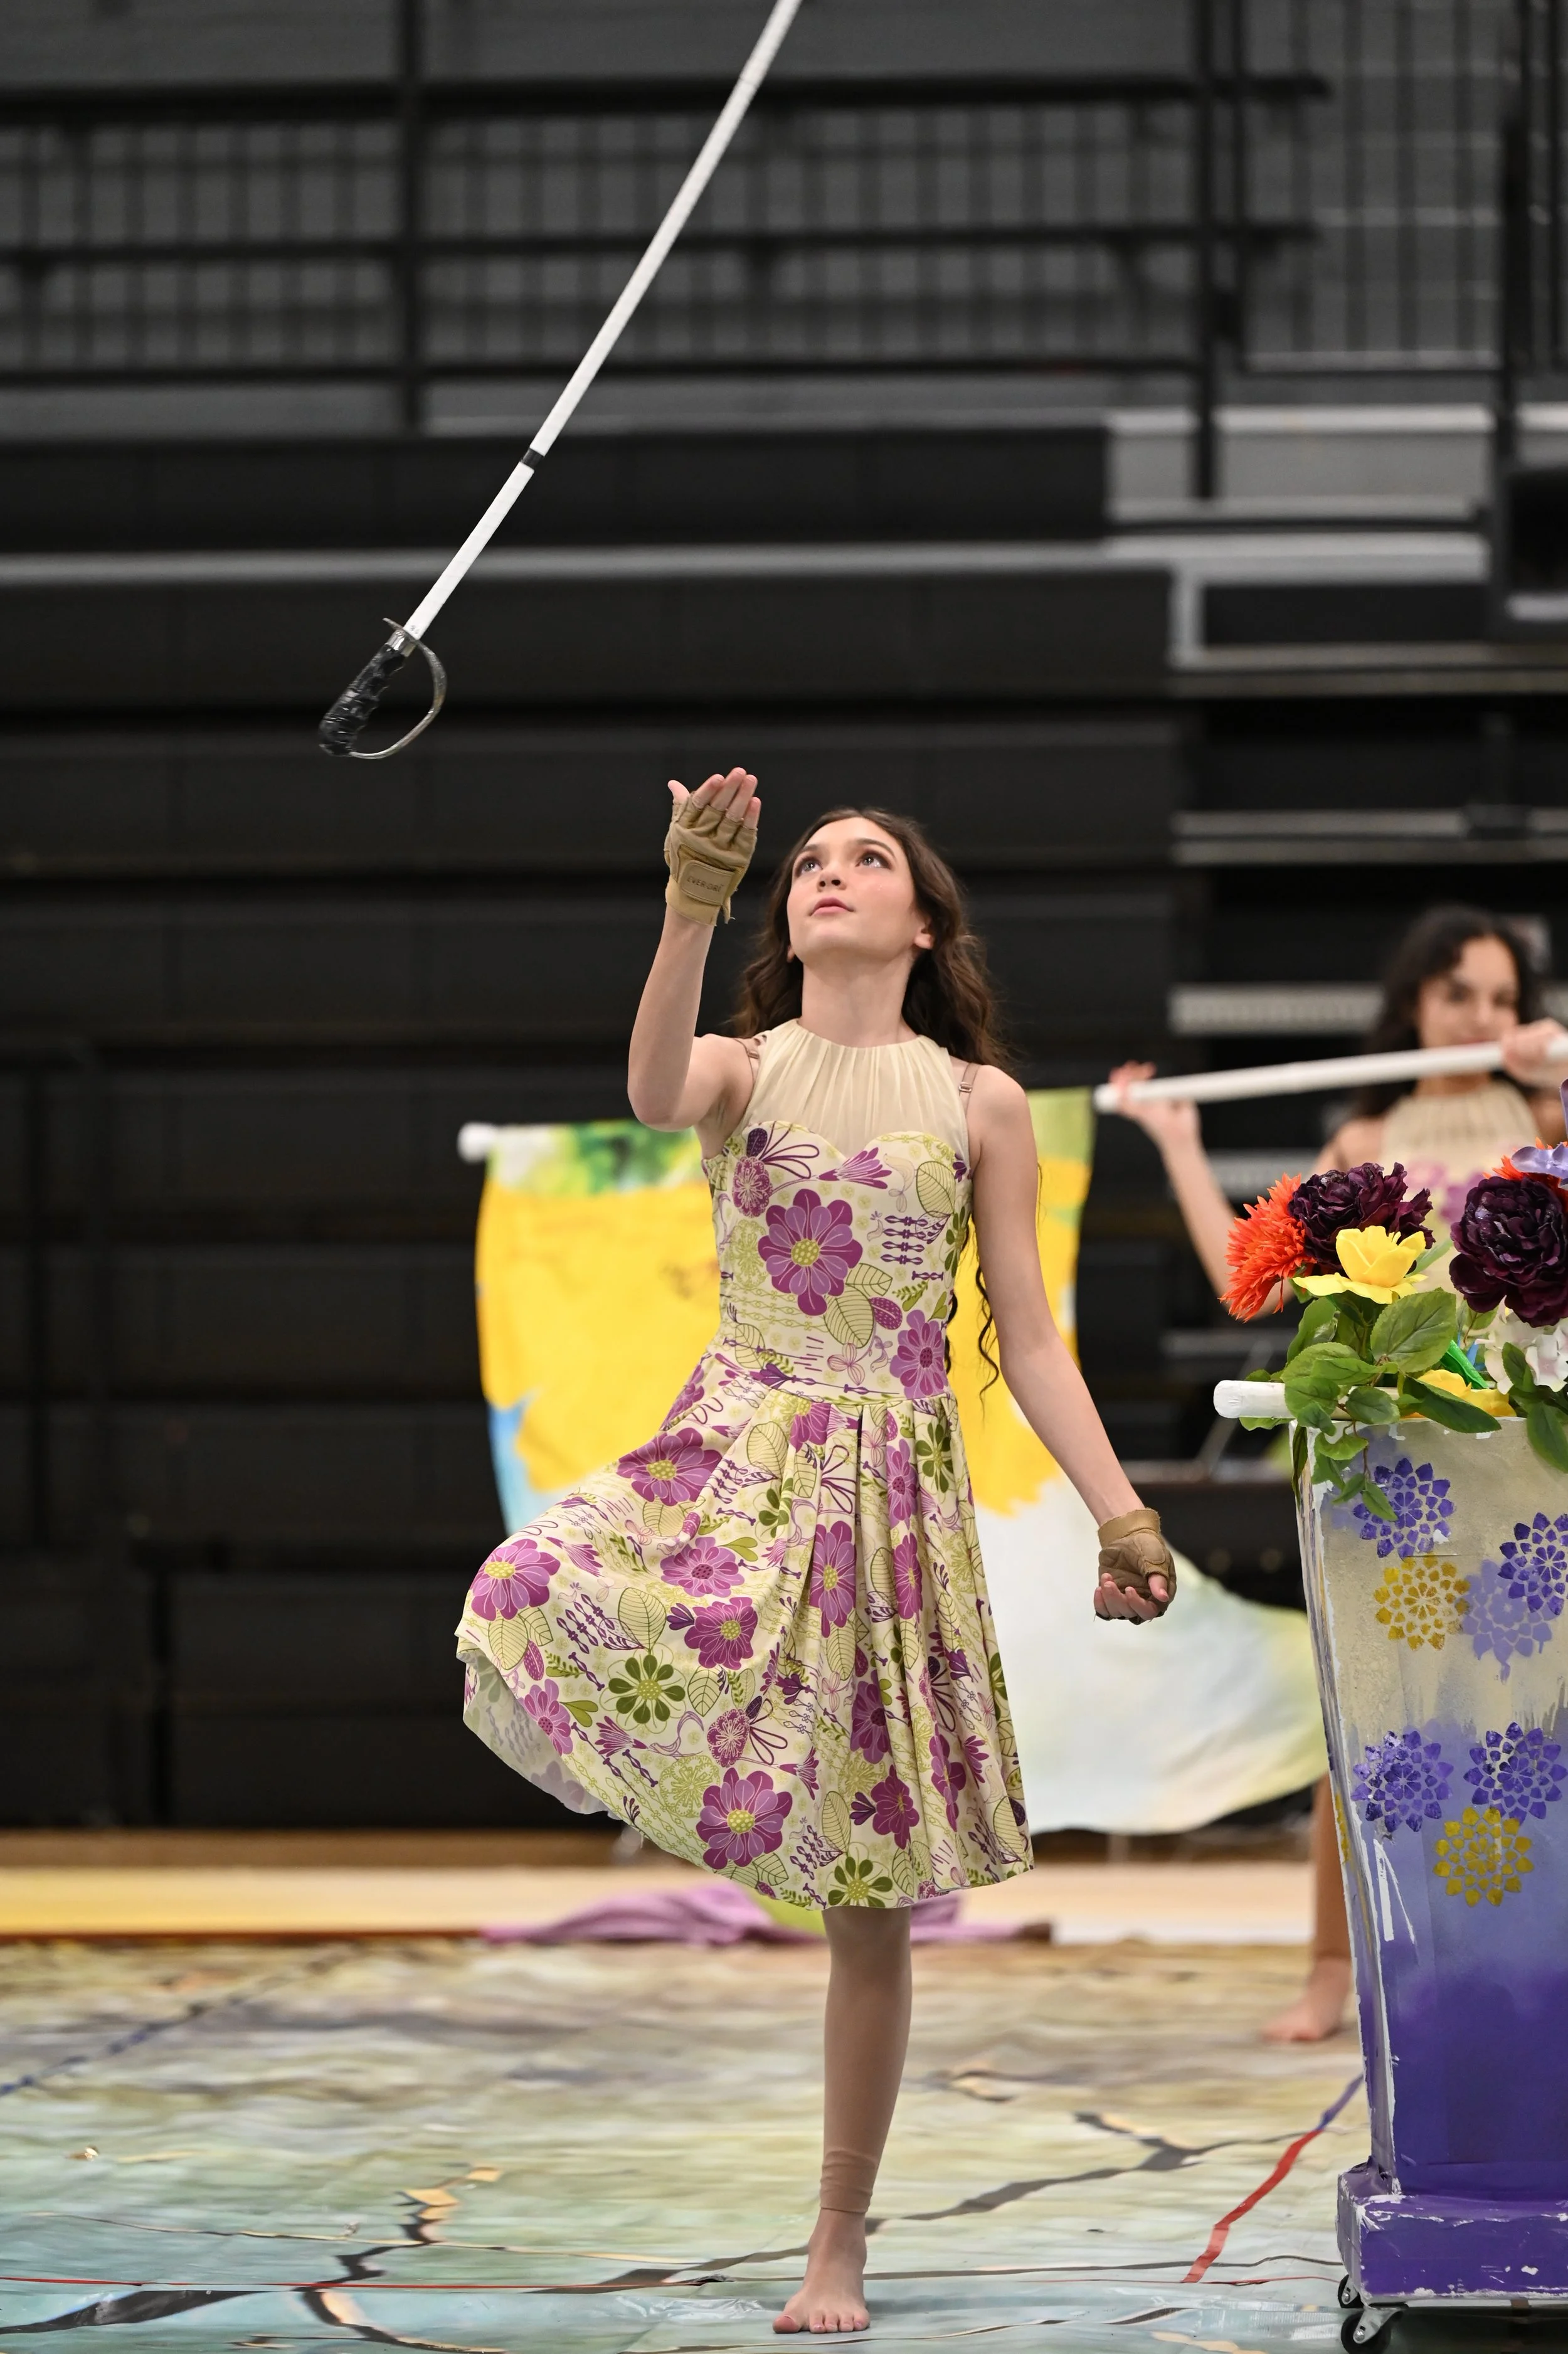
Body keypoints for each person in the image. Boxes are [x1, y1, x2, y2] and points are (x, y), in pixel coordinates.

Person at [457, 771, 1175, 2336]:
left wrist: (1120, 1509)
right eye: (806, 863)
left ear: (924, 923)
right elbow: (651, 1090)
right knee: (521, 1586)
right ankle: (712, 1790)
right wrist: (683, 901)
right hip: (737, 1451)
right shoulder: (742, 1065)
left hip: (888, 1500)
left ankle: (835, 2240)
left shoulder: (976, 1102)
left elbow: (1031, 1342)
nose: (828, 874)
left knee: (871, 1895)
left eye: (866, 859)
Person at [1108, 903, 1567, 2042]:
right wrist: (1174, 1141)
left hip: (1526, 1442)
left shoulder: (1550, 1113)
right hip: (1395, 1450)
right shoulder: (1366, 1139)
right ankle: (1329, 1966)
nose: (1483, 1016)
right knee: (1374, 1707)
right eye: (1460, 994)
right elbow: (1252, 1282)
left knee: (1534, 1712)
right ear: (1415, 1004)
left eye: (1503, 998)